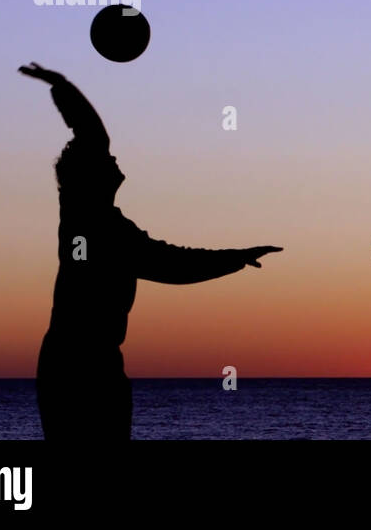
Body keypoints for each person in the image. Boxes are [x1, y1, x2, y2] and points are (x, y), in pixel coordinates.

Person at [19, 63, 281, 440]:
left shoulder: (108, 226)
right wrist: (61, 86)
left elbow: (175, 263)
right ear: (89, 175)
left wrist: (236, 257)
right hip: (77, 367)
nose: (113, 159)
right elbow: (175, 264)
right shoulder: (86, 215)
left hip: (91, 362)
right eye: (103, 159)